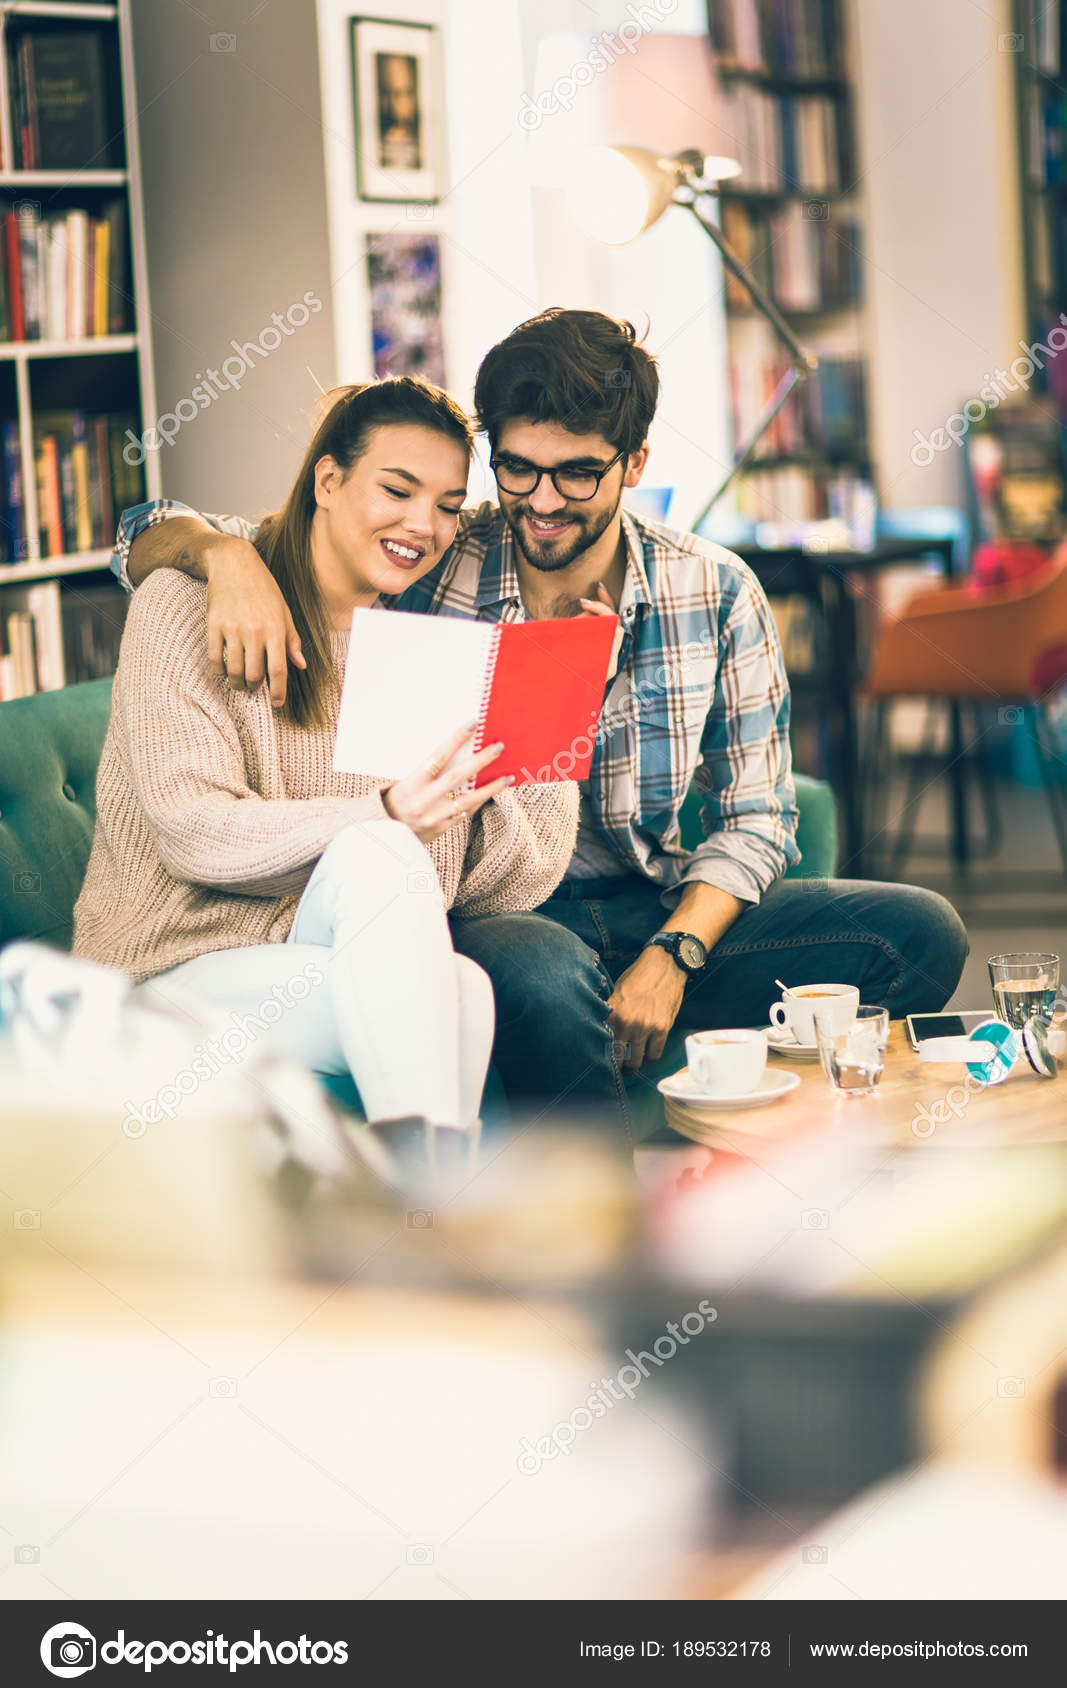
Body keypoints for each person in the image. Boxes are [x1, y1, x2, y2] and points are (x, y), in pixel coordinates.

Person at [112, 309, 968, 1143]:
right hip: (500, 909)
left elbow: (757, 821)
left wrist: (672, 959)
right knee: (540, 976)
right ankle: (598, 1234)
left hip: (657, 905)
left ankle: (790, 1175)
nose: (542, 502)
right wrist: (215, 557)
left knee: (916, 930)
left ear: (633, 462)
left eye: (576, 474)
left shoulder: (714, 589)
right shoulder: (433, 556)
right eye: (517, 469)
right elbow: (195, 538)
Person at [75, 377, 579, 1170]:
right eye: (398, 488)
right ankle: (443, 1220)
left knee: (461, 978)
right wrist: (381, 816)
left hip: (311, 957)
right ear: (329, 480)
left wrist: (551, 709)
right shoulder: (186, 602)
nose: (425, 524)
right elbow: (192, 835)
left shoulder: (411, 656)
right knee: (412, 908)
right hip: (163, 977)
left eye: (449, 504)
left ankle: (420, 1225)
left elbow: (502, 887)